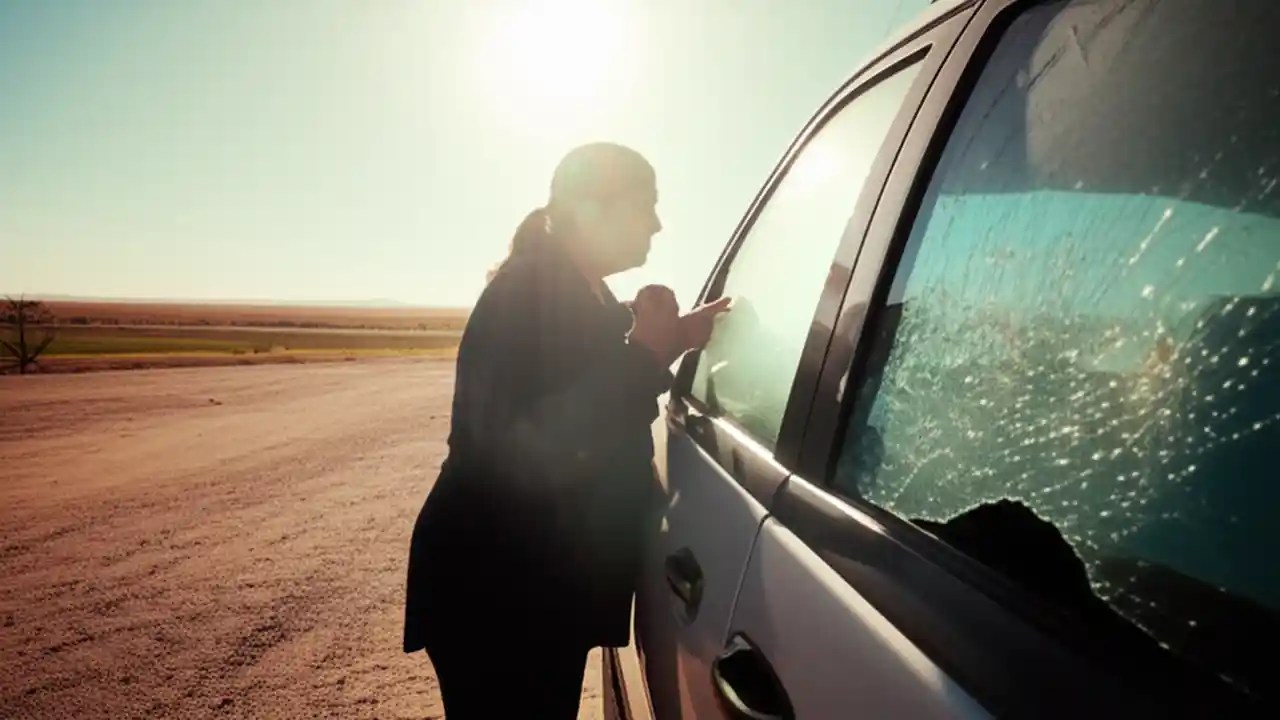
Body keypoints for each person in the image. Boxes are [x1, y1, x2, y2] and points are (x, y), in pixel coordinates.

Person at [403, 142, 731, 718]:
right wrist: (646, 356)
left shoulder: (575, 292)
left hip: (525, 594)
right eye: (645, 204)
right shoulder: (524, 294)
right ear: (590, 211)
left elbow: (579, 387)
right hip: (494, 600)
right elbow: (508, 449)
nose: (658, 222)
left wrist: (663, 340)